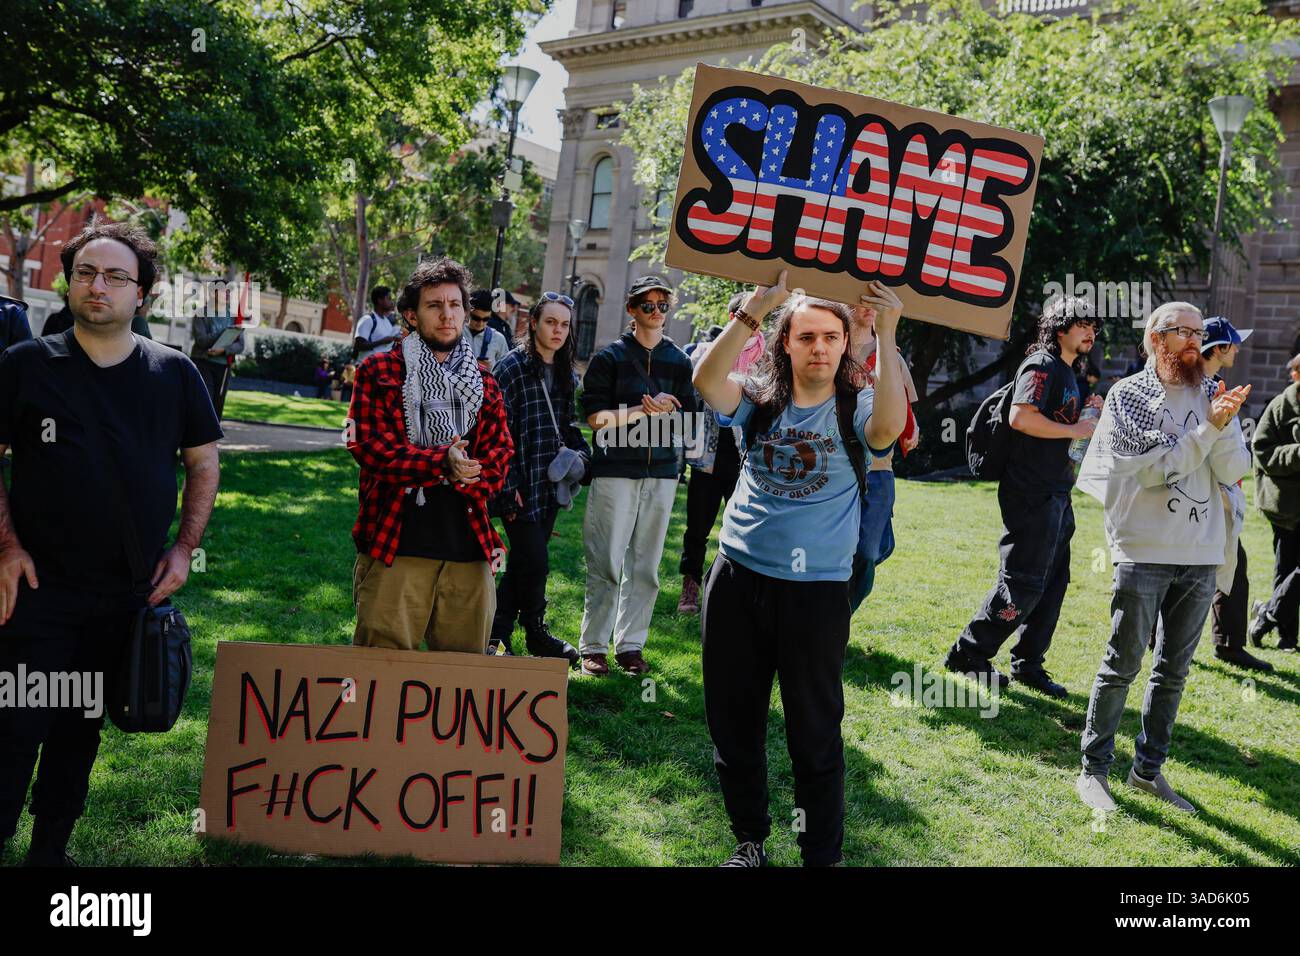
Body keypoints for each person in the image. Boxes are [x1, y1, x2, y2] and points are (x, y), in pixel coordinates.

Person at [0, 218, 222, 865]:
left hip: (123, 596)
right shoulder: (25, 366)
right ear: (70, 283)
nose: (98, 286)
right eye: (86, 273)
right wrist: (8, 547)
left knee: (78, 733)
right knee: (15, 729)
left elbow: (203, 464)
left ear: (142, 294)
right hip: (36, 594)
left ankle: (50, 856)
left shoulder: (175, 375)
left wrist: (184, 548)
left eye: (115, 276)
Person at [694, 272, 908, 867]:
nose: (819, 347)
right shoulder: (760, 400)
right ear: (786, 342)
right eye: (807, 335)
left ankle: (821, 854)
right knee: (733, 721)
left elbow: (889, 429)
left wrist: (886, 334)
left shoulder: (857, 404)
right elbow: (707, 381)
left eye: (831, 337)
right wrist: (753, 312)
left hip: (814, 593)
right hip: (738, 581)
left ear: (845, 345)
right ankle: (750, 840)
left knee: (814, 731)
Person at [1074, 302, 1251, 814]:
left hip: (1200, 551)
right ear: (1156, 339)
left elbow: (1236, 466)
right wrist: (1207, 431)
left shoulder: (1213, 394)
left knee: (1173, 670)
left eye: (1200, 332)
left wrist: (1217, 426)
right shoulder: (1129, 396)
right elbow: (1156, 470)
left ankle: (1147, 771)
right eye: (1183, 332)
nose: (1195, 341)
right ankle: (1094, 769)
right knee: (1123, 663)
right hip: (1145, 548)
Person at [346, 258, 512, 655]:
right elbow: (371, 448)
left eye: (455, 305)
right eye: (434, 305)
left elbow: (501, 452)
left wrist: (470, 473)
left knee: (462, 683)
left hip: (468, 549)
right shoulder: (380, 371)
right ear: (411, 315)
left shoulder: (485, 382)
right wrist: (440, 463)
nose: (447, 314)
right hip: (397, 544)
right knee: (378, 674)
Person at [944, 296, 1101, 698]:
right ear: (1060, 328)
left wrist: (1088, 419)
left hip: (1057, 492)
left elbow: (1070, 443)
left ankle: (1028, 664)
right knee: (1024, 581)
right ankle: (968, 653)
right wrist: (1076, 429)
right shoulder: (1042, 365)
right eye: (1083, 324)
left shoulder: (1071, 374)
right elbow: (1021, 417)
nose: (1091, 332)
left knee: (1053, 583)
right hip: (1030, 491)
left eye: (1094, 327)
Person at [578, 275, 698, 676]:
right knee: (607, 562)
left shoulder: (680, 361)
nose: (657, 312)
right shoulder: (608, 358)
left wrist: (672, 413)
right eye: (648, 305)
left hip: (662, 474)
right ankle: (593, 645)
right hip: (615, 471)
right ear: (632, 309)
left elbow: (691, 420)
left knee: (645, 567)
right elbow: (595, 419)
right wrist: (639, 412)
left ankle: (631, 646)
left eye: (663, 305)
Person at [489, 291, 591, 665]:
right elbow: (497, 433)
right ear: (533, 323)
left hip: (550, 485)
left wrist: (585, 458)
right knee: (534, 561)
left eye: (564, 324)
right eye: (550, 322)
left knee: (524, 564)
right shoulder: (512, 369)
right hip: (518, 484)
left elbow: (568, 426)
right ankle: (533, 630)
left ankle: (498, 634)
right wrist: (507, 486)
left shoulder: (566, 372)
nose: (557, 330)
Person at [677, 295, 763, 615]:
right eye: (747, 317)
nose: (754, 326)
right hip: (708, 459)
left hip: (746, 463)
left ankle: (734, 590)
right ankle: (690, 586)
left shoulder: (766, 360)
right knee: (697, 528)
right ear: (733, 318)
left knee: (743, 531)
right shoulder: (705, 353)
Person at [1195, 317, 1271, 671]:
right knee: (1184, 572)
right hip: (1201, 498)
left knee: (1231, 568)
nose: (1238, 349)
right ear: (1219, 348)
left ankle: (1228, 642)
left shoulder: (1210, 386)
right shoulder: (1202, 390)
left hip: (1215, 496)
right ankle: (1159, 640)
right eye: (1233, 343)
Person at [847, 297, 920, 607]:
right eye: (859, 300)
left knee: (866, 552)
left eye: (875, 302)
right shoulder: (830, 345)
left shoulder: (892, 357)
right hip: (836, 467)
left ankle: (841, 616)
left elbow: (908, 416)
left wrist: (911, 430)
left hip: (878, 471)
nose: (869, 307)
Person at [1247, 351, 1300, 653]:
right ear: (1295, 374)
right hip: (1286, 505)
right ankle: (1287, 638)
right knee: (1286, 569)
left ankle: (1267, 613)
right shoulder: (1280, 407)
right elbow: (1263, 451)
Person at [190, 305, 245, 420]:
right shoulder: (201, 313)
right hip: (203, 362)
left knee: (218, 403)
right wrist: (223, 333)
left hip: (224, 366)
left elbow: (240, 344)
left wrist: (225, 350)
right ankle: (198, 433)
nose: (226, 295)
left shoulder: (233, 316)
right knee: (205, 400)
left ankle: (212, 435)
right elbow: (201, 340)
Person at [353, 286, 401, 364]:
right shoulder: (368, 319)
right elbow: (359, 345)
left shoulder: (387, 322)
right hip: (366, 367)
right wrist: (382, 341)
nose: (391, 302)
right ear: (380, 300)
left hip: (381, 367)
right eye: (389, 298)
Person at [463, 292, 510, 370]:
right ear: (468, 312)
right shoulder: (455, 333)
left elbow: (505, 370)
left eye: (486, 319)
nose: (481, 323)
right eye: (476, 318)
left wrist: (491, 370)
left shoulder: (499, 339)